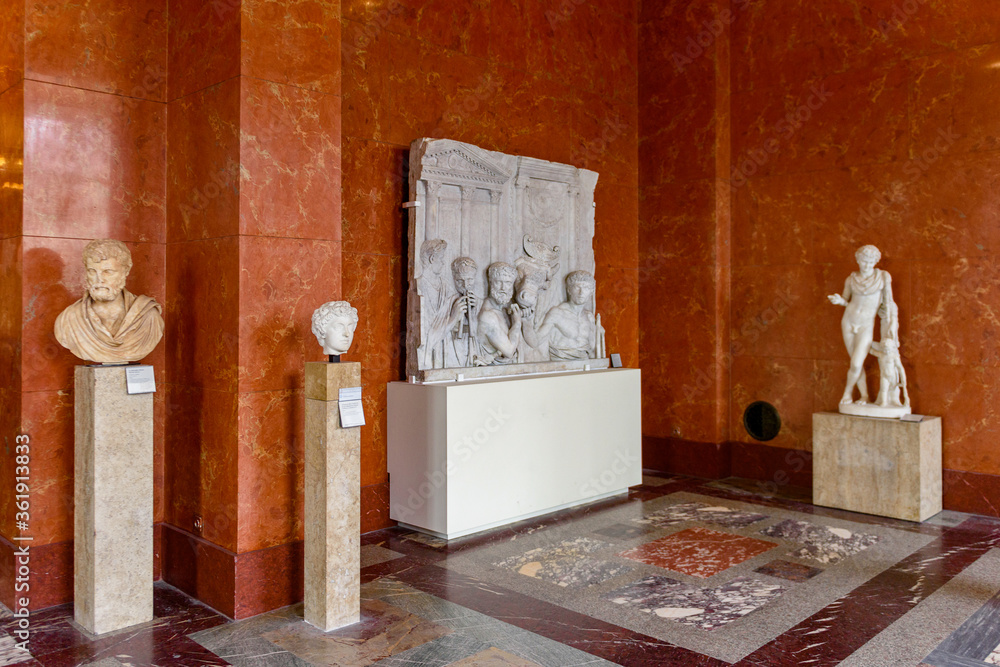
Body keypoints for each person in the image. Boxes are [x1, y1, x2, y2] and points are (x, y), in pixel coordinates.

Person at [54, 239, 164, 363]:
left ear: (126, 271)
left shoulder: (148, 317)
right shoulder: (69, 319)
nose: (99, 279)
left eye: (108, 272)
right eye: (92, 271)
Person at [827, 245, 895, 405]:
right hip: (848, 321)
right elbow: (846, 300)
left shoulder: (883, 277)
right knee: (855, 362)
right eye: (864, 261)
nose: (867, 264)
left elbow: (889, 302)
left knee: (856, 362)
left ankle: (847, 392)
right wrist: (839, 301)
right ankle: (864, 396)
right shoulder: (851, 279)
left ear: (875, 261)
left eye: (871, 261)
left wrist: (891, 325)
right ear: (858, 260)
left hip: (866, 325)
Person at [523, 270, 599, 361]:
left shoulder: (589, 317)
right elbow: (535, 342)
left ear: (591, 291)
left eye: (586, 288)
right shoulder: (557, 313)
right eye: (577, 287)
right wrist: (526, 322)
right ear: (569, 289)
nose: (581, 292)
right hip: (561, 366)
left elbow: (593, 349)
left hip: (585, 366)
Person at [475, 262, 522, 365]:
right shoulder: (488, 317)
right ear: (490, 282)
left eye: (508, 283)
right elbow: (509, 351)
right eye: (498, 282)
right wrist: (517, 323)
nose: (503, 288)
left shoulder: (504, 310)